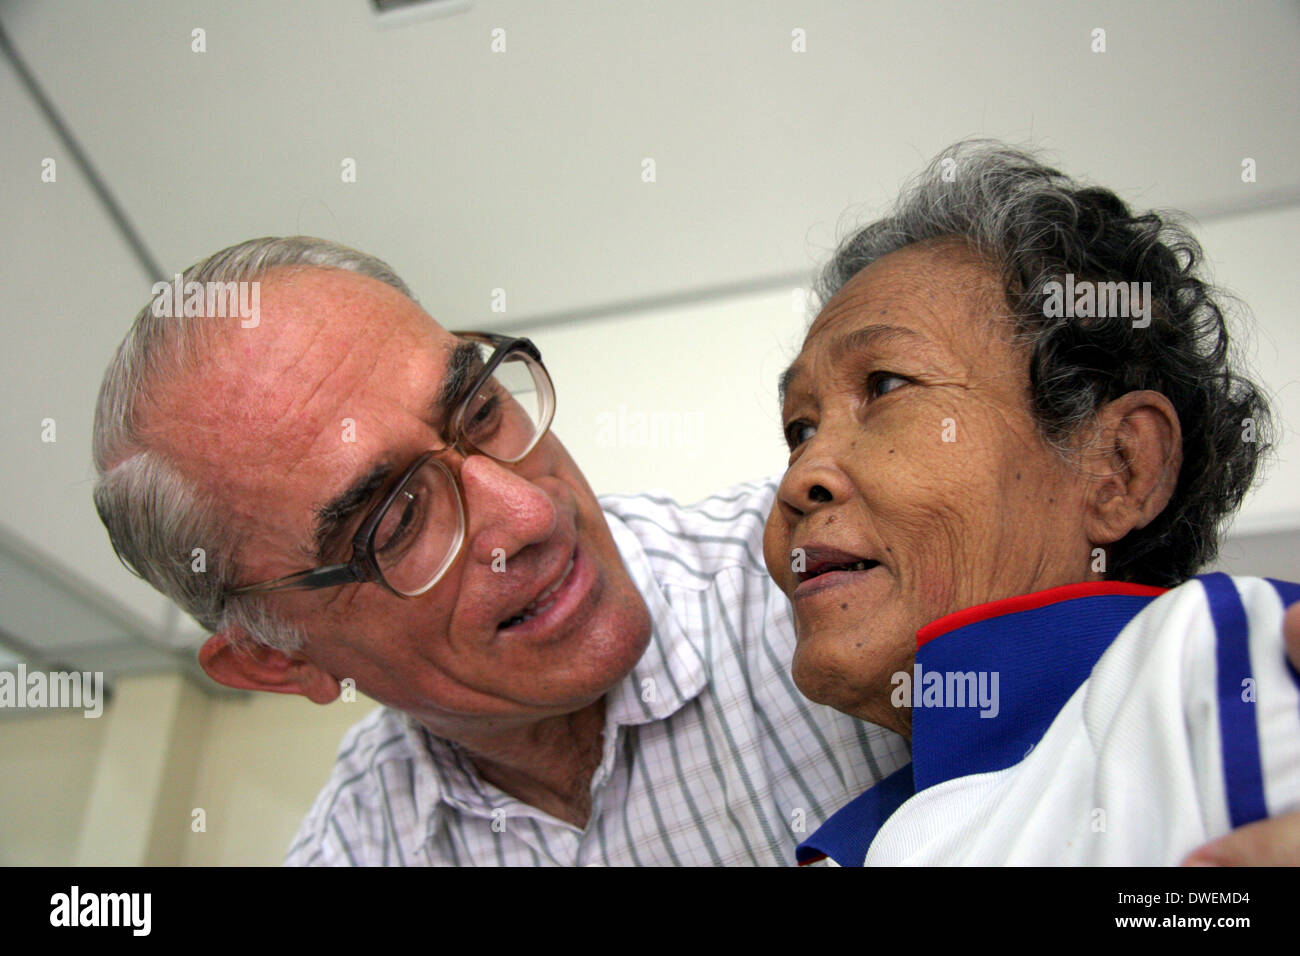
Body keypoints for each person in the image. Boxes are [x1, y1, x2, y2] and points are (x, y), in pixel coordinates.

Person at [91, 208, 1300, 867]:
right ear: (278, 659)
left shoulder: (847, 603)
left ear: (1120, 467)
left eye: (480, 410)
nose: (531, 511)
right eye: (395, 518)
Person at [762, 140, 1300, 865]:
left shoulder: (1217, 672)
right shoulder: (848, 847)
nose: (801, 479)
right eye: (799, 428)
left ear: (1119, 468)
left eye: (887, 386)